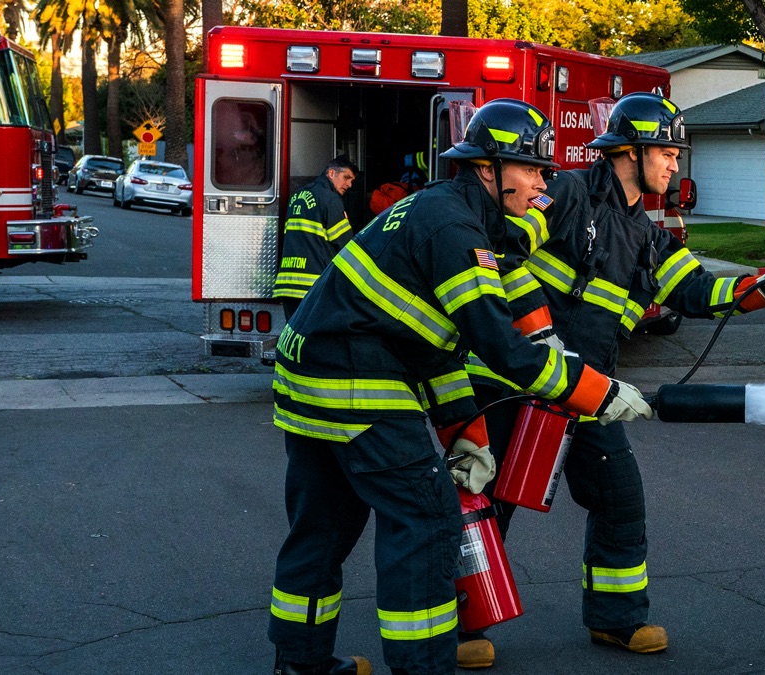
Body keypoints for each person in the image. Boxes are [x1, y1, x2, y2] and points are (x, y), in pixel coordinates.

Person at [265, 98, 655, 675]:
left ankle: (300, 664)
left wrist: (464, 434)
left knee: (324, 528)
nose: (541, 182)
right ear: (487, 168)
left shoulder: (442, 211)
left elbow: (439, 348)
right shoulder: (456, 229)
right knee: (427, 521)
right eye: (531, 169)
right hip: (354, 382)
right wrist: (596, 392)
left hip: (308, 375)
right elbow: (501, 347)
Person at [460, 92, 765, 668]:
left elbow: (699, 292)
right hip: (514, 381)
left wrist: (761, 290)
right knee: (490, 502)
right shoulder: (566, 194)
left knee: (619, 497)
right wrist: (537, 338)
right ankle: (459, 628)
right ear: (631, 150)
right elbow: (502, 250)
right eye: (668, 152)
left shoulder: (645, 235)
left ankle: (617, 620)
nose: (676, 164)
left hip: (587, 392)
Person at [272, 155, 358, 318]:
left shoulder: (297, 196)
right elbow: (345, 245)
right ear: (331, 173)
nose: (349, 184)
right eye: (346, 177)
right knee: (316, 339)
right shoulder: (330, 199)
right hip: (314, 284)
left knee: (293, 337)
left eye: (352, 181)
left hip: (287, 284)